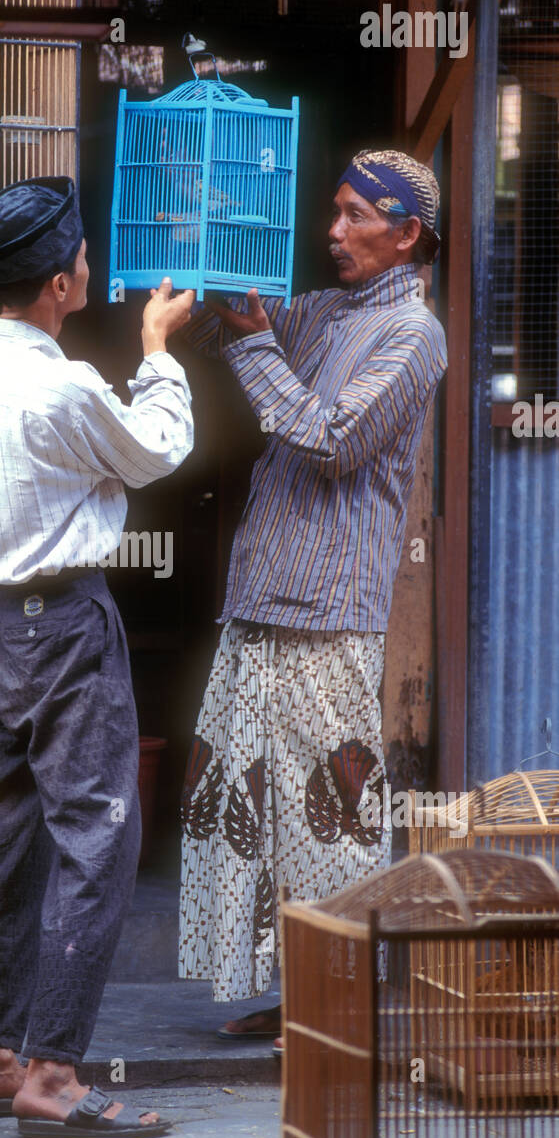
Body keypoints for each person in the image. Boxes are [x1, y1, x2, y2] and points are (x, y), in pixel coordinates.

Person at [0, 175, 194, 1138]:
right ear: (59, 284)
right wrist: (159, 350)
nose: (87, 270)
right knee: (97, 833)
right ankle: (53, 1075)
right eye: (80, 259)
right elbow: (154, 451)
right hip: (67, 620)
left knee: (0, 837)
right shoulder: (61, 384)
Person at [177, 150, 448, 1053]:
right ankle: (293, 991)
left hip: (329, 609)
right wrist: (220, 298)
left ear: (405, 234)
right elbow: (244, 340)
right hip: (261, 593)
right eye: (332, 212)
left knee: (329, 812)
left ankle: (338, 999)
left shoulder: (416, 336)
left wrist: (255, 342)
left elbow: (329, 439)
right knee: (246, 801)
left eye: (354, 218)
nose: (332, 233)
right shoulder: (325, 312)